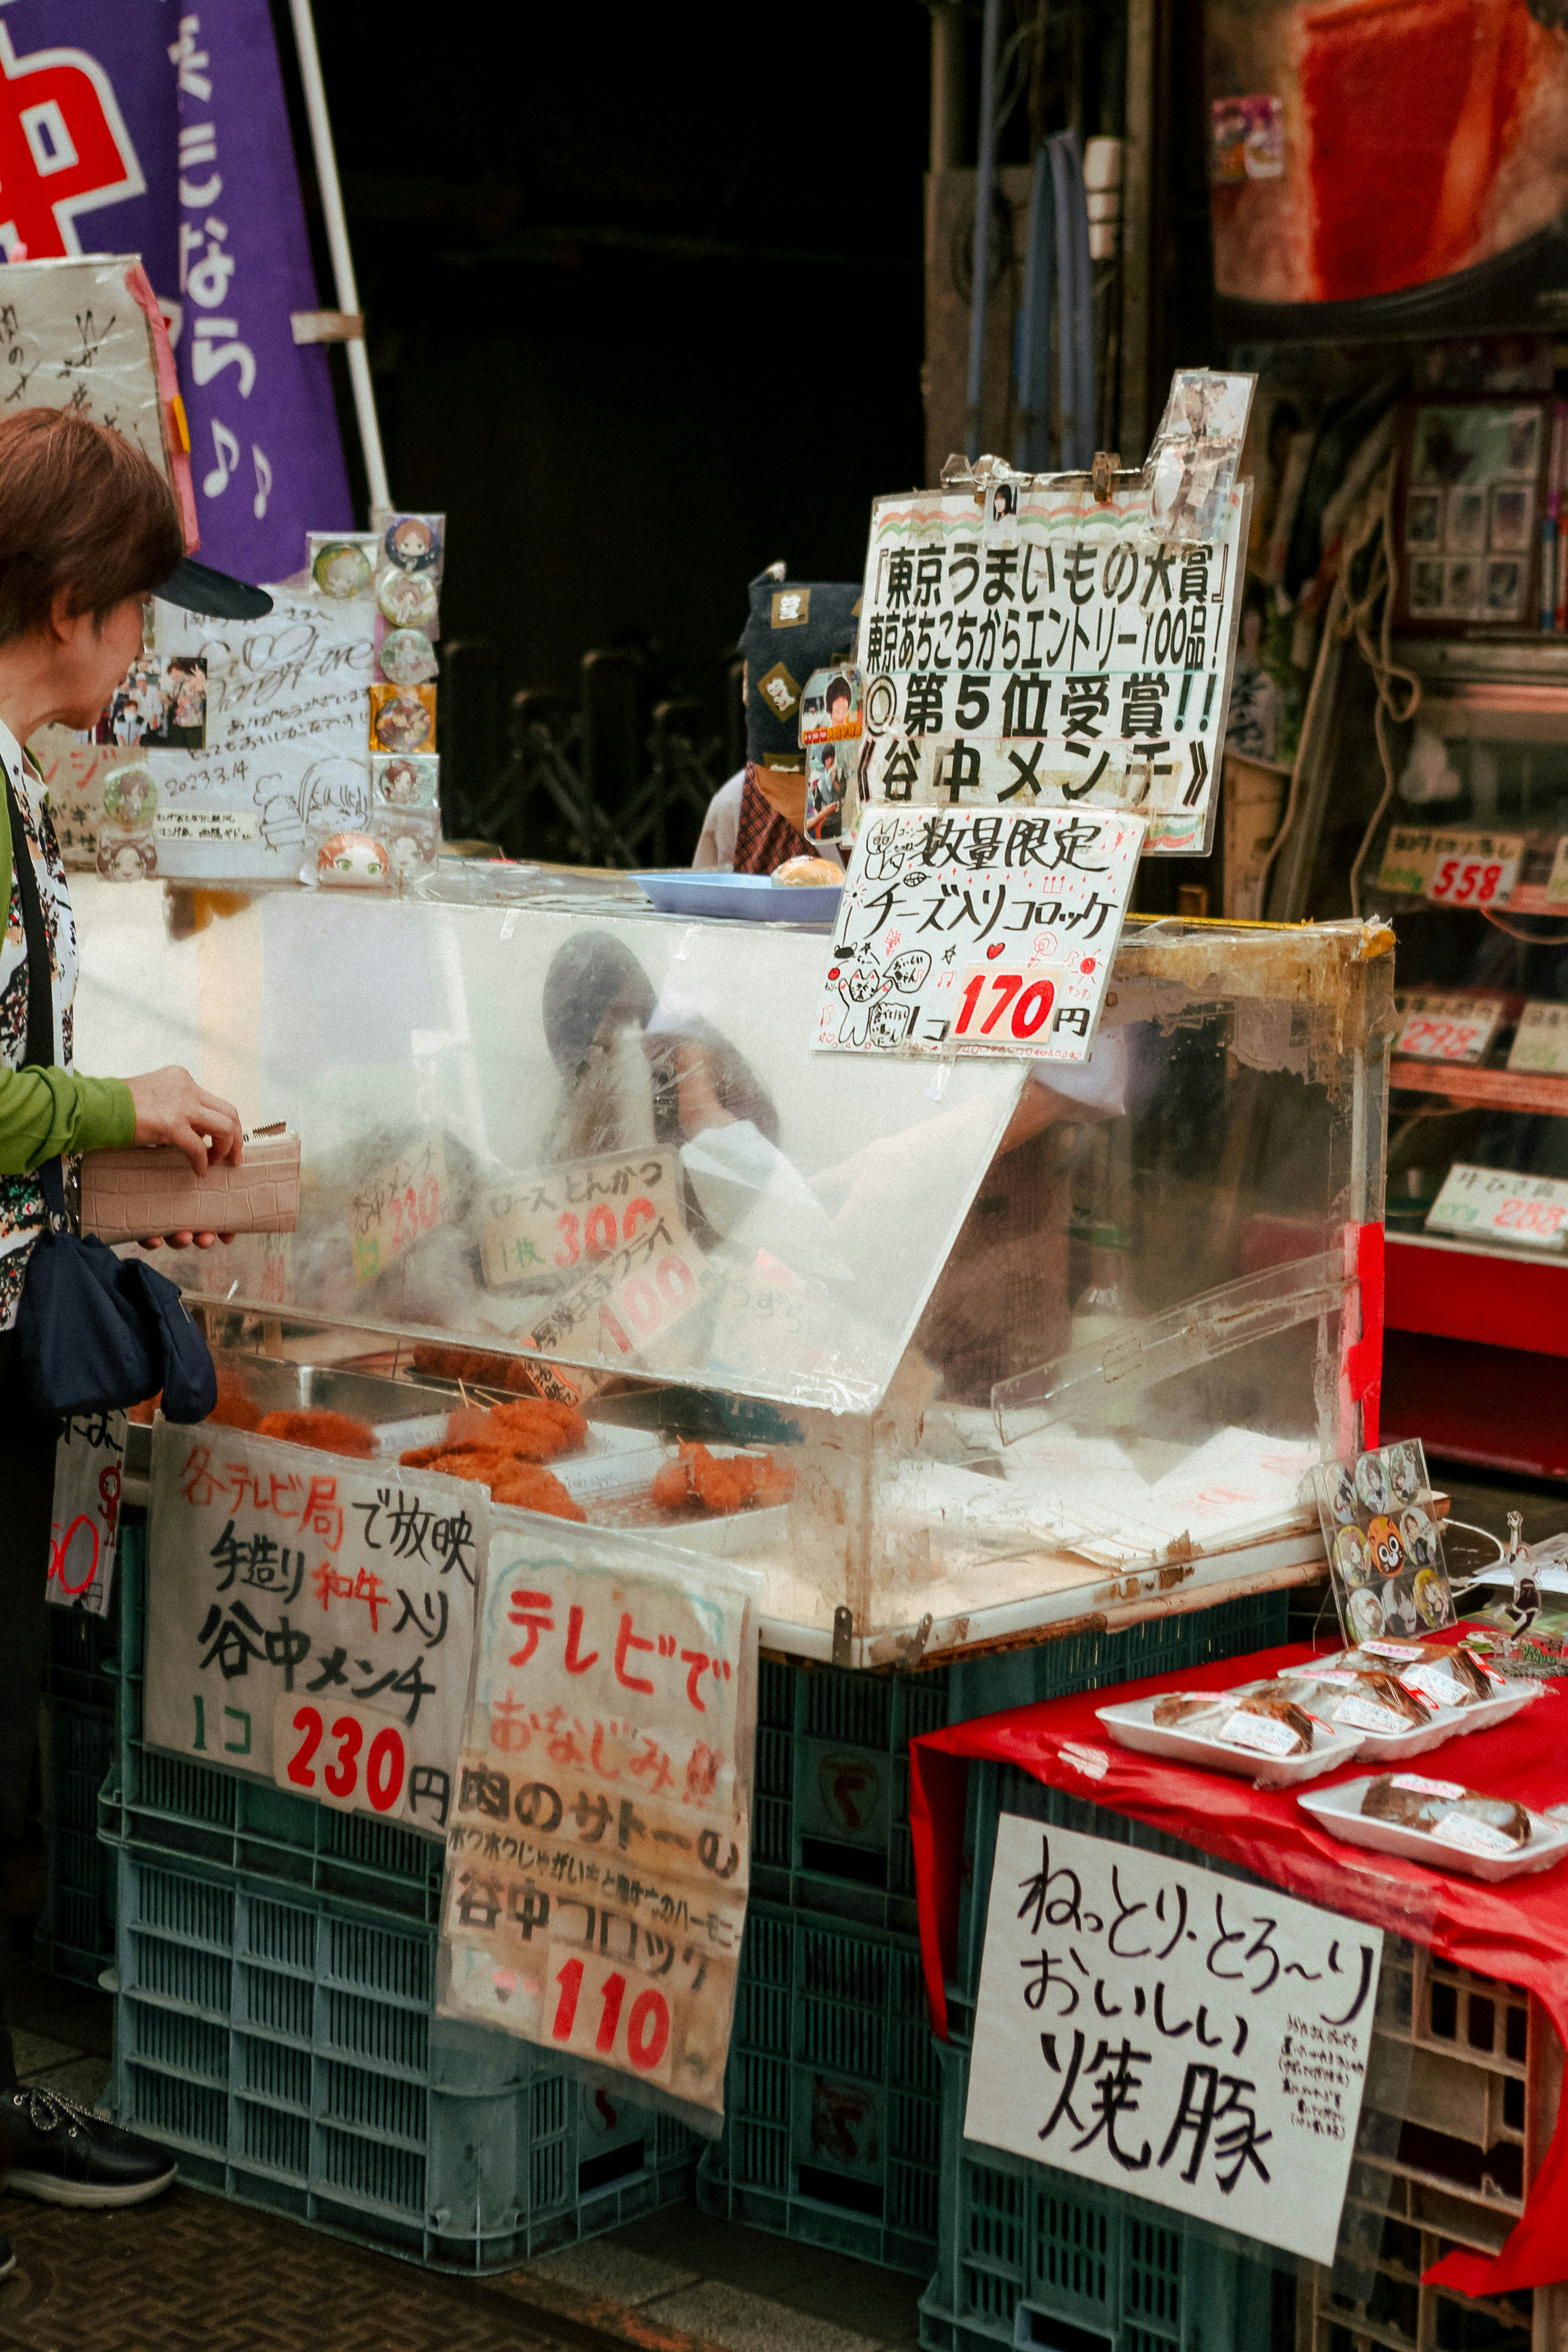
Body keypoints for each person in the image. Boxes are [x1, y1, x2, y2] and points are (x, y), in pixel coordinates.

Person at [0, 406, 273, 2248]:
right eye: (140, 613)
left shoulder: (20, 782)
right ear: (72, 604)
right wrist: (116, 1106)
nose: (147, 651)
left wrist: (116, 1142)